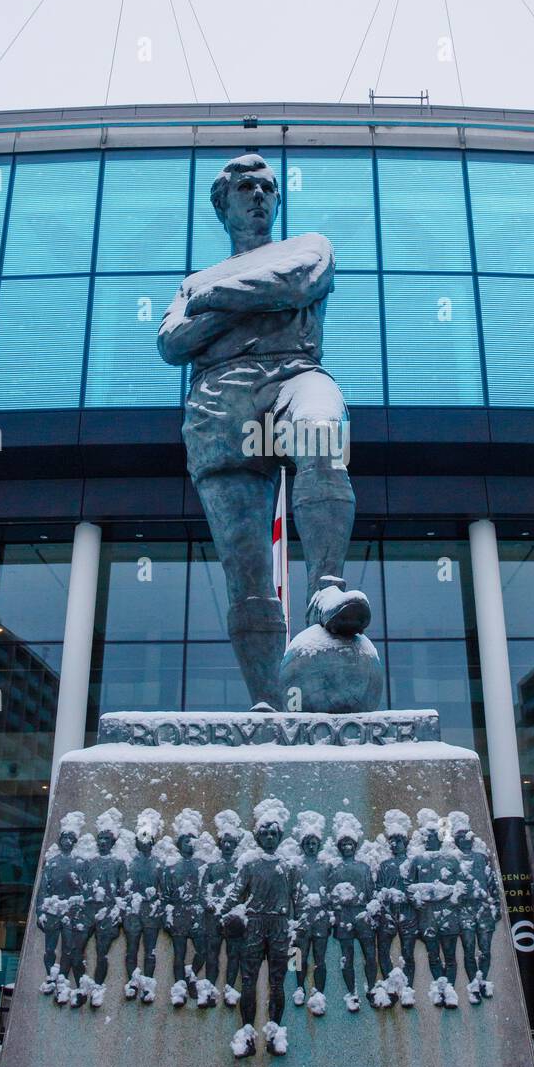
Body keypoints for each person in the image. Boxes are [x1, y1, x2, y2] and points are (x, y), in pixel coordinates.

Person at [158, 153, 369, 709]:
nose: (259, 195)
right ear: (222, 203)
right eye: (246, 187)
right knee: (245, 568)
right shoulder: (194, 279)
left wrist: (214, 301)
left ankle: (327, 588)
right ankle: (269, 702)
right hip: (217, 405)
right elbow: (173, 344)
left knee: (321, 432)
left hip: (295, 374)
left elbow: (298, 283)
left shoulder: (309, 245)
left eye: (268, 188)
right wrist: (255, 297)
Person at [218, 798, 293, 1058]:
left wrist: (298, 926)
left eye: (274, 834)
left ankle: (275, 1032)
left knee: (278, 981)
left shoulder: (287, 866)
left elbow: (299, 900)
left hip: (280, 926)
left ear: (280, 836)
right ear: (258, 836)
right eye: (265, 834)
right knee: (248, 979)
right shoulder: (249, 863)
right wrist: (222, 912)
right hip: (255, 925)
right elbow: (236, 893)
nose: (269, 838)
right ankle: (247, 1032)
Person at [406, 809, 467, 1008]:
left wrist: (454, 899)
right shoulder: (418, 860)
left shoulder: (451, 859)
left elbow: (462, 884)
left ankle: (449, 989)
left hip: (447, 913)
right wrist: (416, 900)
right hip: (427, 914)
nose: (430, 840)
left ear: (440, 838)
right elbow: (408, 885)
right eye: (427, 837)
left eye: (433, 836)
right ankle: (440, 987)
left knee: (449, 955)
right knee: (433, 954)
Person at [327, 812, 380, 1012]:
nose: (347, 847)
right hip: (343, 916)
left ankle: (372, 987)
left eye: (350, 844)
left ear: (355, 846)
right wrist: (339, 902)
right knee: (346, 957)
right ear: (340, 847)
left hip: (361, 915)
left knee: (370, 954)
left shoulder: (364, 867)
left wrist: (370, 908)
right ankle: (352, 993)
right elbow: (330, 894)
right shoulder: (334, 868)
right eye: (344, 844)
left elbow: (371, 891)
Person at [35, 811, 88, 1006]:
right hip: (52, 910)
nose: (67, 841)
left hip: (70, 911)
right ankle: (50, 975)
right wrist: (40, 911)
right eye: (64, 838)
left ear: (74, 842)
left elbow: (84, 889)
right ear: (60, 840)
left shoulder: (79, 863)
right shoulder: (52, 862)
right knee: (50, 948)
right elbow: (43, 889)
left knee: (68, 947)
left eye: (70, 838)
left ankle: (64, 978)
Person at [448, 811, 501, 1002]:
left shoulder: (481, 858)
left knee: (485, 949)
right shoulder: (453, 860)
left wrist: (496, 904)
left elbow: (492, 881)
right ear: (456, 840)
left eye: (467, 836)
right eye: (460, 837)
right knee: (469, 948)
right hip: (464, 910)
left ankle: (483, 980)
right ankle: (472, 984)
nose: (465, 840)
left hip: (484, 908)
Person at [82, 808, 128, 1009]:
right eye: (100, 839)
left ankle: (98, 987)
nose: (102, 842)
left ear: (112, 842)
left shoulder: (118, 864)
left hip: (108, 913)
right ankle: (81, 984)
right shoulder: (89, 863)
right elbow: (81, 886)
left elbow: (124, 891)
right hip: (88, 911)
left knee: (102, 953)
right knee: (77, 949)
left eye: (106, 839)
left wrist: (117, 913)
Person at [199, 809, 245, 1008]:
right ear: (220, 844)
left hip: (233, 917)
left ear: (236, 845)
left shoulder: (241, 866)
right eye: (224, 842)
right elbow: (203, 890)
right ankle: (209, 989)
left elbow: (244, 890)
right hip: (213, 916)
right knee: (212, 953)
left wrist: (237, 909)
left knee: (234, 954)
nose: (227, 845)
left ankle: (230, 989)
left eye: (231, 843)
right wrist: (209, 903)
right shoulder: (212, 866)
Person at [163, 809, 208, 1006]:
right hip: (179, 913)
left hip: (197, 913)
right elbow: (165, 895)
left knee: (203, 951)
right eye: (185, 841)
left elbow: (207, 890)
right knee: (179, 954)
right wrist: (167, 916)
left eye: (192, 841)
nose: (189, 844)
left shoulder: (202, 865)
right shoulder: (171, 867)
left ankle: (191, 974)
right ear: (179, 844)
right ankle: (180, 988)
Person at [375, 809, 418, 1007]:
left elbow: (418, 889)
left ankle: (407, 988)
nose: (395, 844)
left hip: (408, 912)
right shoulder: (384, 865)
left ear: (406, 843)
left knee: (408, 952)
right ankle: (391, 985)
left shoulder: (412, 863)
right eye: (392, 841)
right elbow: (378, 888)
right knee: (383, 950)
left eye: (399, 841)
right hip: (388, 913)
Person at [290, 810, 331, 1016]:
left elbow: (331, 891)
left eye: (314, 842)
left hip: (321, 918)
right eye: (308, 842)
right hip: (300, 917)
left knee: (320, 957)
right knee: (298, 955)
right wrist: (291, 919)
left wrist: (330, 915)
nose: (311, 845)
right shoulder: (294, 867)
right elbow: (289, 893)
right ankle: (297, 986)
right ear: (302, 845)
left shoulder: (326, 866)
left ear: (319, 844)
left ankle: (319, 991)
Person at [123, 808, 165, 1004]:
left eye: (148, 838)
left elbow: (164, 890)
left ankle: (147, 984)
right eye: (142, 838)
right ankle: (132, 981)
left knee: (150, 950)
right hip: (133, 911)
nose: (145, 841)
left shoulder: (159, 864)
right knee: (131, 949)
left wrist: (158, 903)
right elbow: (123, 887)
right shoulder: (130, 863)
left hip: (151, 911)